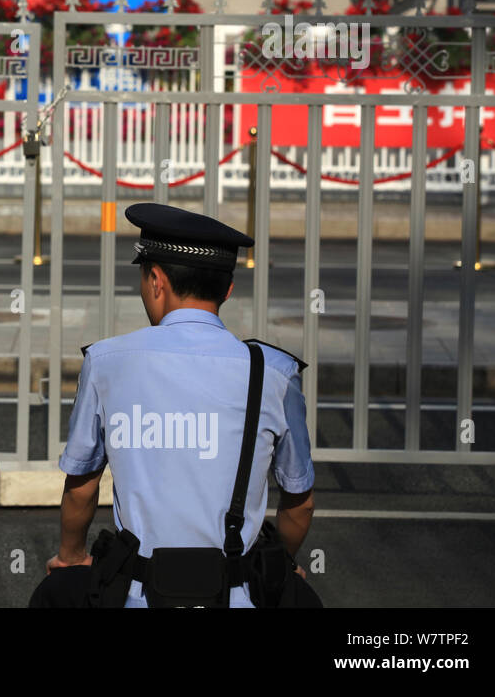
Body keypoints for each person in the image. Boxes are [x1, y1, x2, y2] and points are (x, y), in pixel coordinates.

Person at [31, 202, 318, 608]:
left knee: (53, 595)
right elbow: (299, 501)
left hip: (138, 594)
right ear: (228, 290)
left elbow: (81, 486)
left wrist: (71, 556)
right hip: (237, 595)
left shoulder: (107, 361)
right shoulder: (274, 371)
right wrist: (282, 563)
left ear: (156, 281)